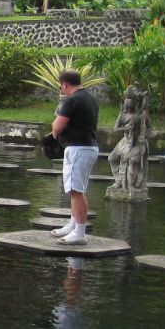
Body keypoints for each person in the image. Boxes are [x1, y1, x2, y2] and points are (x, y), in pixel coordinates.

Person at [50, 70, 100, 245]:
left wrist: (54, 132)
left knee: (75, 191)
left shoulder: (72, 100)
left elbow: (57, 126)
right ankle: (73, 225)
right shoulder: (91, 98)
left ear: (64, 84)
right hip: (89, 147)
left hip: (78, 148)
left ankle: (79, 232)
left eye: (61, 86)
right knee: (77, 190)